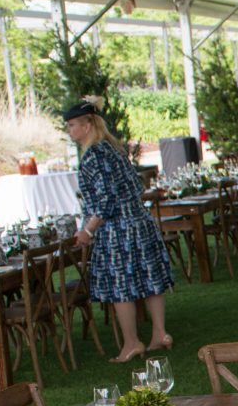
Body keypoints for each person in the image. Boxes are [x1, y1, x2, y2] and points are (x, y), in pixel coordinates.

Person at [64, 98, 174, 362]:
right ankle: (159, 334)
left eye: (72, 125)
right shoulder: (113, 148)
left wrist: (88, 231)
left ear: (88, 125)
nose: (69, 131)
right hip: (139, 220)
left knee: (120, 286)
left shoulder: (93, 156)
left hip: (118, 229)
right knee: (150, 279)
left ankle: (132, 342)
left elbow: (105, 200)